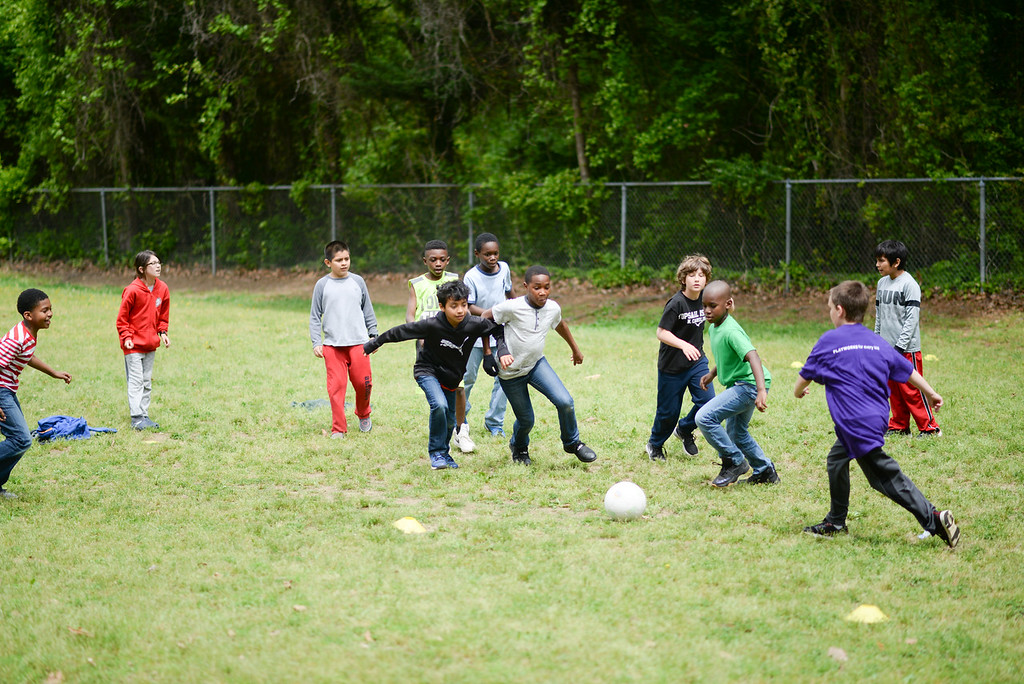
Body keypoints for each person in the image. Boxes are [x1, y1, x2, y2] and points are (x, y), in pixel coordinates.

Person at [795, 280, 959, 547]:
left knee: (884, 476)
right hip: (876, 419)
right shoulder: (876, 341)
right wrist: (931, 392)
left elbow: (804, 378)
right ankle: (835, 520)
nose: (829, 312)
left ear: (838, 310)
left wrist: (798, 391)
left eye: (828, 308)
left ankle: (935, 518)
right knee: (837, 459)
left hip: (854, 423)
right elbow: (907, 370)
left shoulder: (829, 340)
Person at [365, 280, 500, 470]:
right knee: (440, 405)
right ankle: (436, 453)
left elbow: (495, 328)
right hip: (427, 371)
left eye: (463, 305)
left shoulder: (473, 324)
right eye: (454, 306)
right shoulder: (432, 325)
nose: (460, 310)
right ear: (442, 306)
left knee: (451, 419)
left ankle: (444, 453)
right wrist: (375, 343)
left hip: (452, 378)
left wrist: (495, 353)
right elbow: (400, 332)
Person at [486, 265, 597, 466]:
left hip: (536, 364)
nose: (542, 292)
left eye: (546, 287)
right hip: (511, 373)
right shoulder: (512, 307)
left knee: (565, 401)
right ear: (526, 286)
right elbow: (484, 319)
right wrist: (489, 353)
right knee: (527, 420)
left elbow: (560, 324)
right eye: (537, 287)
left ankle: (573, 443)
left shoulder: (553, 308)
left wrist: (575, 349)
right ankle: (519, 447)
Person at [695, 280, 777, 487]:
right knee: (736, 433)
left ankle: (734, 461)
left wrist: (760, 391)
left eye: (713, 306)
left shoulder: (731, 330)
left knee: (704, 417)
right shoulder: (715, 327)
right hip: (743, 384)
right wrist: (712, 374)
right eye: (704, 305)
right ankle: (765, 470)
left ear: (728, 304)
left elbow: (753, 356)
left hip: (748, 386)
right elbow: (728, 357)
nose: (707, 310)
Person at [0, 289, 73, 499]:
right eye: (44, 310)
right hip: (2, 391)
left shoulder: (28, 335)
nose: (50, 314)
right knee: (21, 440)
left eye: (50, 309)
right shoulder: (17, 338)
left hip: (8, 389)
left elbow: (27, 356)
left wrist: (53, 373)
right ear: (28, 315)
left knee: (19, 440)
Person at [407, 240, 475, 453]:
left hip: (452, 343)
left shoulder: (455, 279)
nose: (438, 263)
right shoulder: (416, 283)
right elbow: (410, 314)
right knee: (437, 390)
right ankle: (442, 430)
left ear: (448, 260)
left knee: (459, 387)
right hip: (427, 344)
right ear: (425, 260)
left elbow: (466, 309)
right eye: (433, 259)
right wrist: (418, 334)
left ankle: (460, 431)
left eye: (442, 259)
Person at [645, 254, 715, 462]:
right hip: (672, 367)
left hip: (697, 363)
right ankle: (655, 444)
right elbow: (661, 332)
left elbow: (719, 316)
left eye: (701, 275)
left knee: (708, 403)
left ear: (706, 280)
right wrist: (683, 344)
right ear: (683, 278)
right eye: (692, 275)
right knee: (668, 413)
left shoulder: (706, 300)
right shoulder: (676, 303)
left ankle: (684, 430)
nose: (696, 279)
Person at [310, 240, 378, 438]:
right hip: (333, 346)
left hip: (359, 343)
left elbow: (368, 310)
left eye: (347, 259)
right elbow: (315, 316)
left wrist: (373, 335)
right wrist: (316, 342)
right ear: (328, 262)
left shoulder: (358, 282)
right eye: (339, 260)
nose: (344, 263)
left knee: (363, 384)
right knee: (336, 388)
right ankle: (339, 428)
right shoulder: (322, 285)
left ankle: (364, 413)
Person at [874, 239, 941, 437]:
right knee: (893, 389)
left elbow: (912, 320)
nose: (877, 265)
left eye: (881, 261)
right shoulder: (881, 283)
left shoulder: (910, 285)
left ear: (896, 262)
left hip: (906, 350)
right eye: (877, 261)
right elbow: (879, 315)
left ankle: (929, 427)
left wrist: (900, 346)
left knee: (912, 389)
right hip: (886, 348)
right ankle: (899, 426)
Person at [462, 232, 514, 439]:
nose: (492, 258)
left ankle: (494, 423)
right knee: (467, 378)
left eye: (496, 254)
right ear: (477, 254)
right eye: (487, 255)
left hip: (501, 334)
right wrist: (491, 313)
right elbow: (469, 306)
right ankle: (460, 419)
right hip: (475, 336)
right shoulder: (471, 277)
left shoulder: (505, 268)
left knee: (505, 378)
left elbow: (509, 293)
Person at [116, 250, 170, 430]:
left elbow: (163, 315)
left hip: (150, 344)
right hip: (132, 345)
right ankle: (136, 418)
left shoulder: (162, 289)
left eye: (158, 262)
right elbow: (122, 319)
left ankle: (144, 415)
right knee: (136, 380)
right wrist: (126, 337)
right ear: (141, 269)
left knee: (147, 382)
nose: (158, 266)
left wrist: (162, 333)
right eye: (153, 264)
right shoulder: (132, 290)